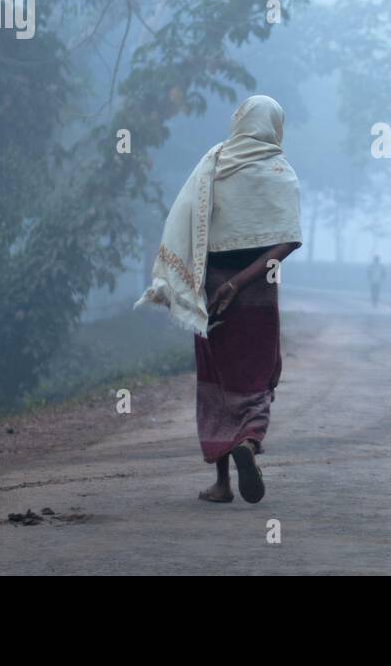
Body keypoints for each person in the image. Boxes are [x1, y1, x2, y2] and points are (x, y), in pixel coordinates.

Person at [135, 95, 302, 504]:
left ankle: (223, 482)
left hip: (212, 288)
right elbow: (287, 242)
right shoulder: (281, 172)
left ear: (239, 121)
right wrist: (244, 282)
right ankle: (249, 441)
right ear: (274, 126)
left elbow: (188, 220)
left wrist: (223, 285)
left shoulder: (214, 163)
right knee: (258, 374)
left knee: (215, 378)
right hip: (258, 292)